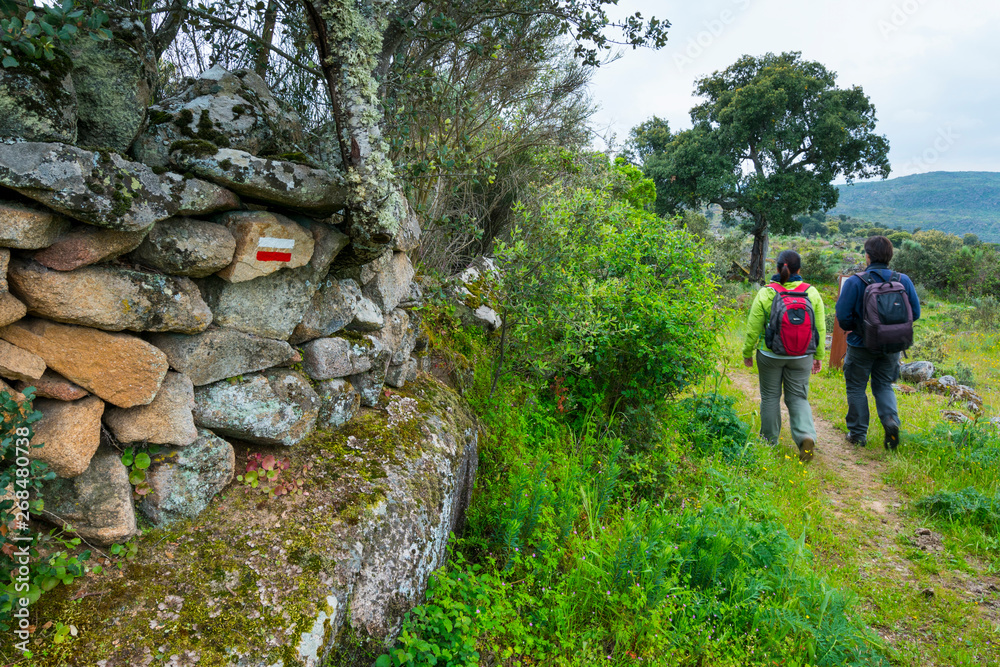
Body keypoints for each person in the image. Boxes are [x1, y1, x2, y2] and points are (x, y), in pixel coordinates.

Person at [835, 235, 920, 450]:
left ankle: (857, 434)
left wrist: (861, 328)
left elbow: (843, 317)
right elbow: (915, 313)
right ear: (890, 256)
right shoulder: (903, 280)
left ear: (868, 256)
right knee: (883, 385)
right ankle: (891, 422)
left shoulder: (856, 281)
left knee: (856, 387)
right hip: (892, 345)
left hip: (860, 344)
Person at [742, 250, 826, 462]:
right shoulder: (812, 292)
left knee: (770, 397)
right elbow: (820, 328)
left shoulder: (767, 292)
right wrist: (819, 355)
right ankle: (806, 436)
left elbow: (753, 327)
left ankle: (769, 443)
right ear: (799, 270)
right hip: (802, 356)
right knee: (798, 398)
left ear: (777, 268)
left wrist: (747, 352)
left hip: (770, 354)